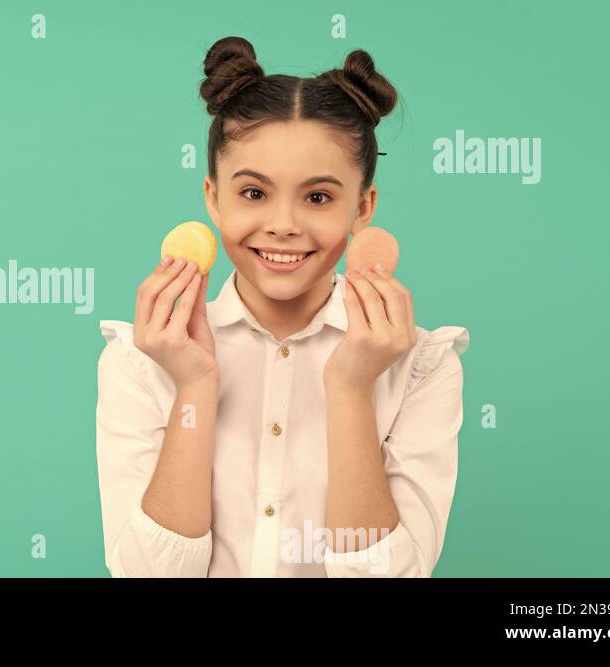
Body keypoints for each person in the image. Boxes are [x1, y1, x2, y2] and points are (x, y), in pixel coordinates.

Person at [95, 36, 470, 577]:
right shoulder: (140, 359)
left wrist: (350, 388)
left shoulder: (422, 365)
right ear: (212, 198)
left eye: (318, 197)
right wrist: (195, 386)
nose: (284, 224)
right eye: (253, 193)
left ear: (361, 207)